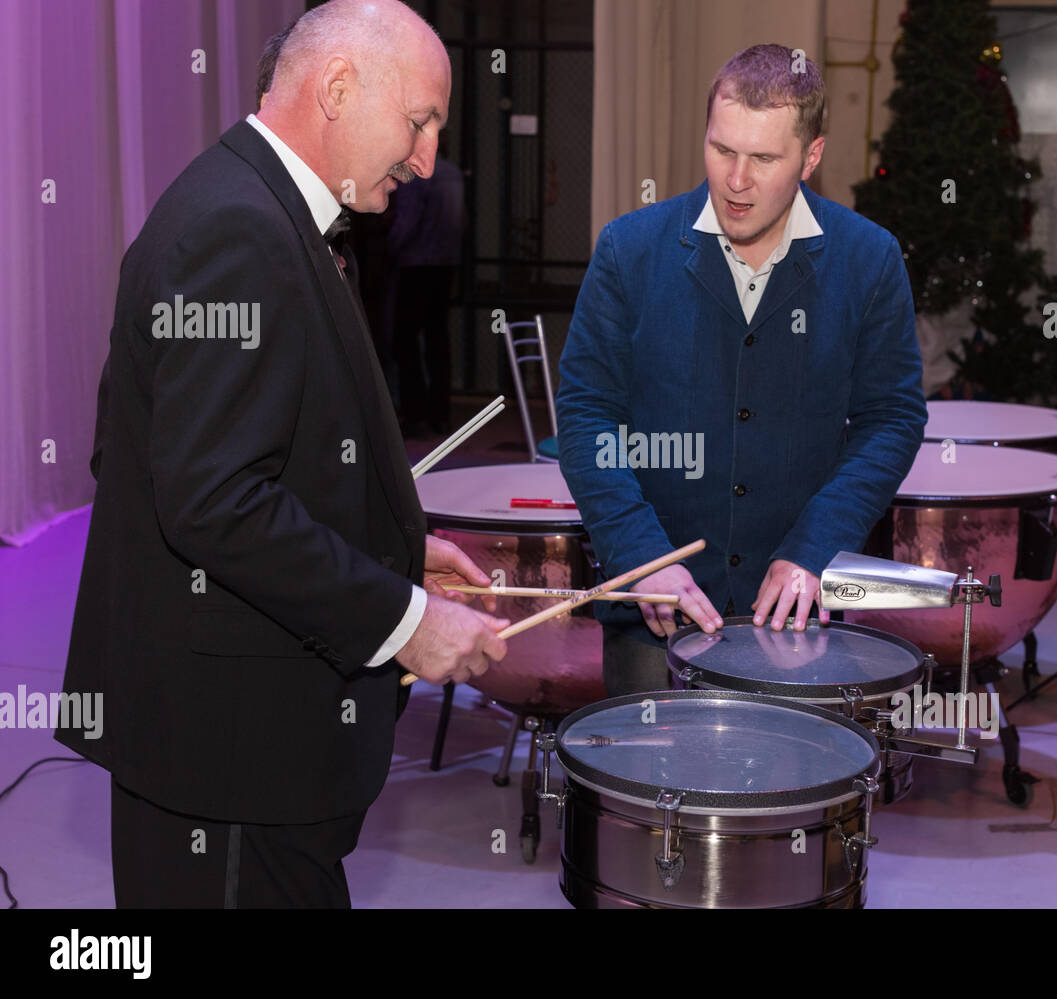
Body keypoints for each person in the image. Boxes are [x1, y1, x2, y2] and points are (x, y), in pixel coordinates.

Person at [56, 0, 508, 908]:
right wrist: (402, 618)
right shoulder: (240, 230)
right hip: (226, 762)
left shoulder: (252, 206)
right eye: (419, 122)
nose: (426, 160)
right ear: (338, 87)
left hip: (232, 753)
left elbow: (147, 450)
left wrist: (392, 548)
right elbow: (214, 499)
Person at [557, 44, 927, 695]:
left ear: (811, 156)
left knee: (789, 794)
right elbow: (588, 416)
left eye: (763, 158)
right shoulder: (628, 250)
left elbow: (891, 419)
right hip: (656, 620)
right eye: (722, 150)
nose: (736, 180)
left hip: (796, 621)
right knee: (646, 797)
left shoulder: (869, 259)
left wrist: (815, 546)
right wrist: (643, 555)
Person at [389, 146, 466, 435]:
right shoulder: (453, 174)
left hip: (416, 264)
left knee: (405, 340)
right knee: (438, 339)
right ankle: (440, 414)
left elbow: (407, 223)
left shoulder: (416, 175)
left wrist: (388, 250)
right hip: (445, 263)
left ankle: (415, 414)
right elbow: (461, 219)